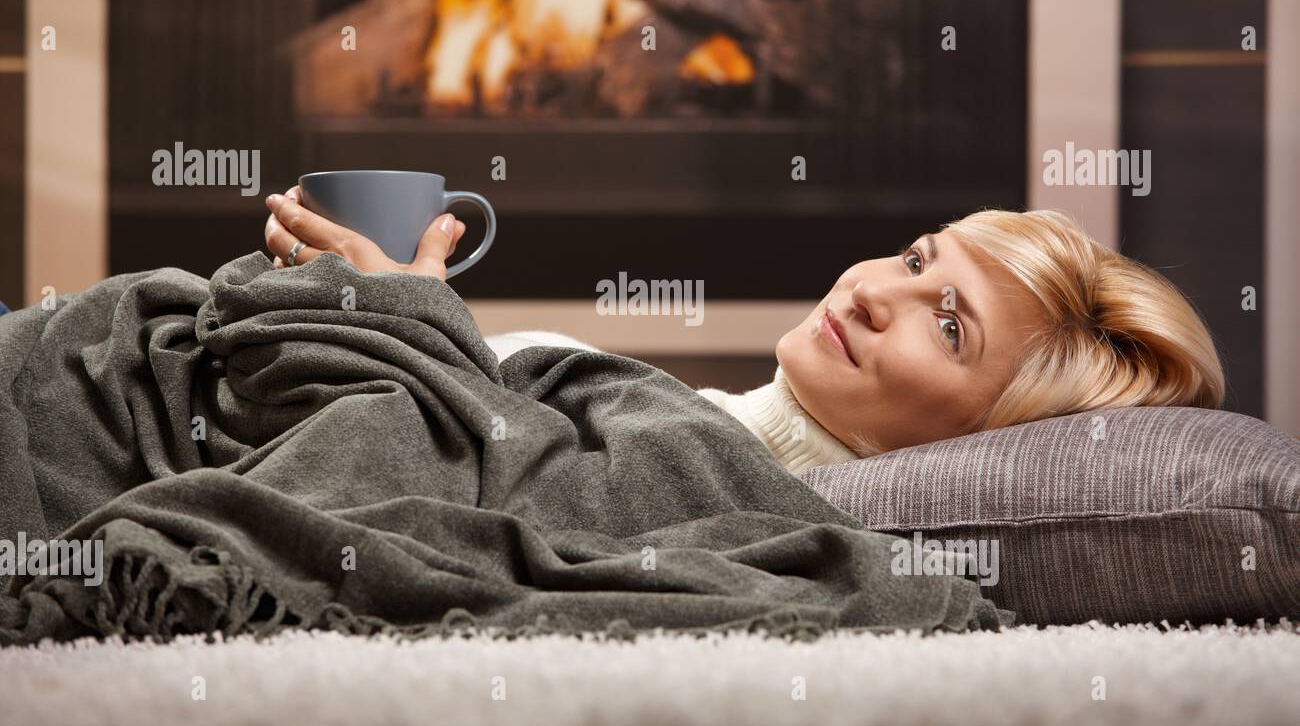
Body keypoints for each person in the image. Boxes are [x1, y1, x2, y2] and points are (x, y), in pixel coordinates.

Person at [263, 188, 1225, 473]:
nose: (876, 291)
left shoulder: (723, 483)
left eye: (949, 328)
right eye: (921, 258)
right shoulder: (696, 415)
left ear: (990, 438)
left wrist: (395, 325)